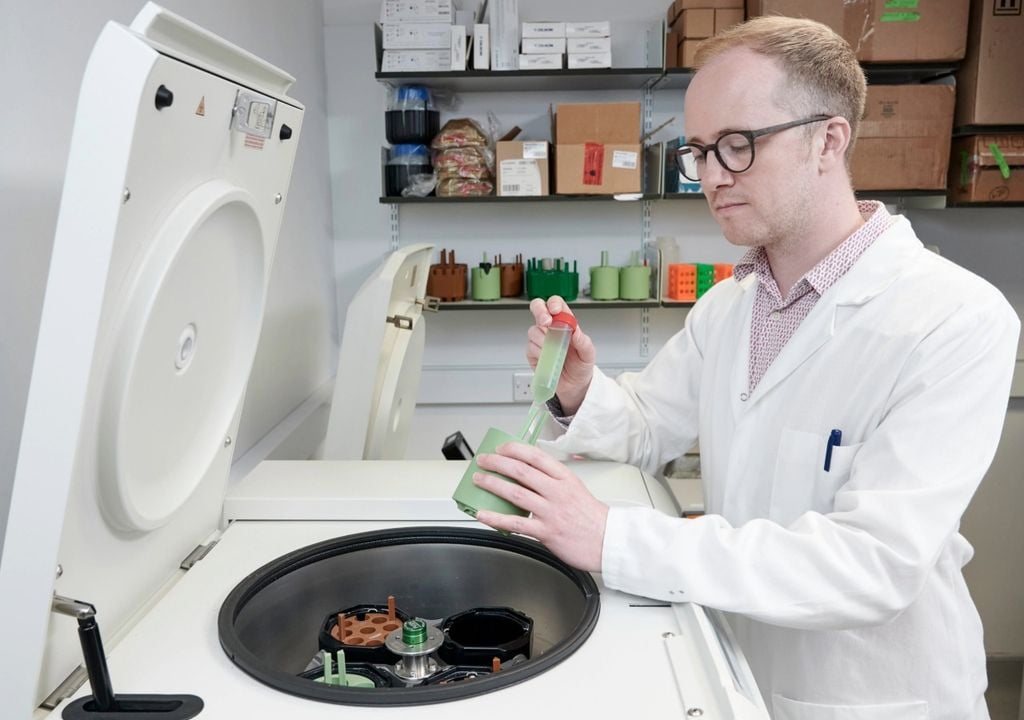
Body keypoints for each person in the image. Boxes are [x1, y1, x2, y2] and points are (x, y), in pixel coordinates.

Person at [472, 16, 1020, 719]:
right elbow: (646, 427)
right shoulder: (729, 306)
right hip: (735, 670)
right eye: (699, 151)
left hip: (874, 696)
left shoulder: (956, 319)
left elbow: (874, 563)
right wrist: (578, 392)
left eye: (738, 146)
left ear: (829, 139)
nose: (711, 177)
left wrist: (615, 537)